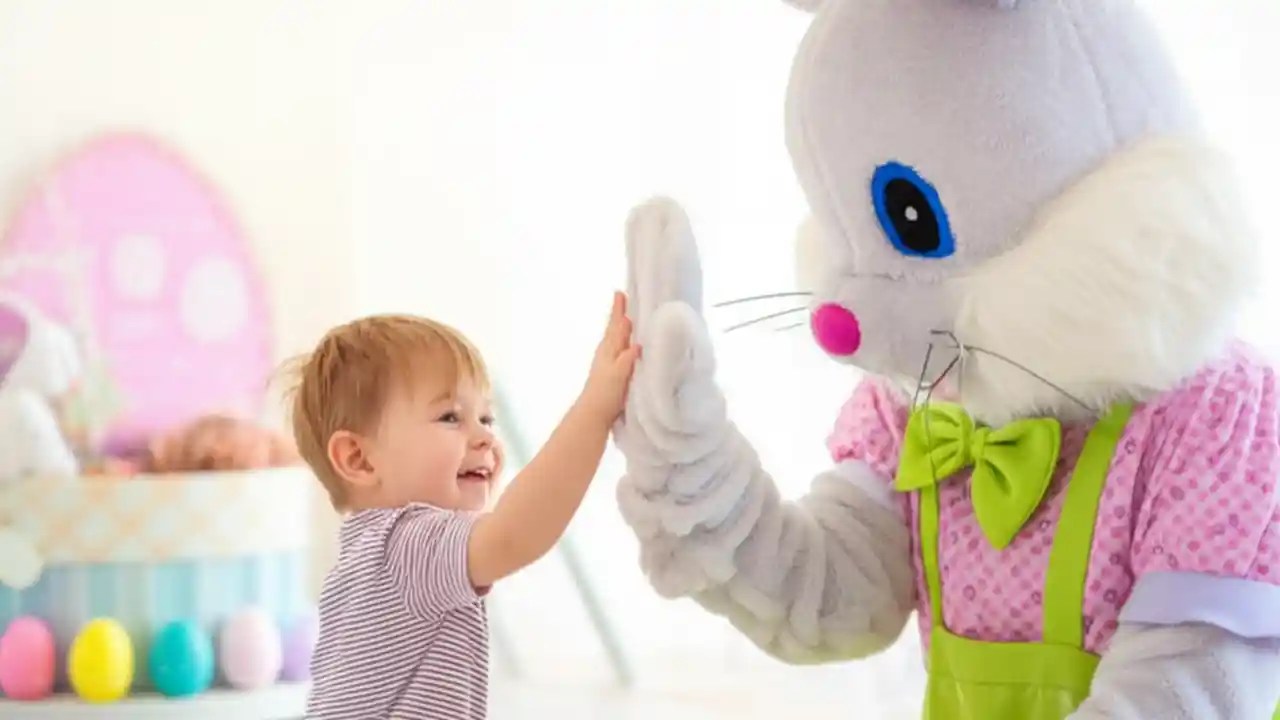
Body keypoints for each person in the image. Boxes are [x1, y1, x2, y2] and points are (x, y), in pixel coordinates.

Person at [287, 292, 639, 719]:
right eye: (450, 417)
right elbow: (514, 535)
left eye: (486, 418)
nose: (486, 437)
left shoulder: (367, 554)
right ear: (359, 459)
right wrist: (595, 408)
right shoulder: (404, 544)